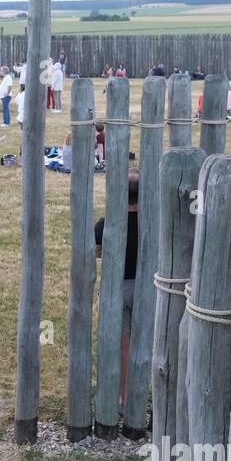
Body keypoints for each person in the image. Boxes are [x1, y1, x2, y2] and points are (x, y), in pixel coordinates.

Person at [93, 166, 141, 423]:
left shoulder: (108, 222)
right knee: (142, 344)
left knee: (121, 347)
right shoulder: (151, 222)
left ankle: (121, 397)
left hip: (117, 289)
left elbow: (97, 252)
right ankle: (140, 393)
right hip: (144, 289)